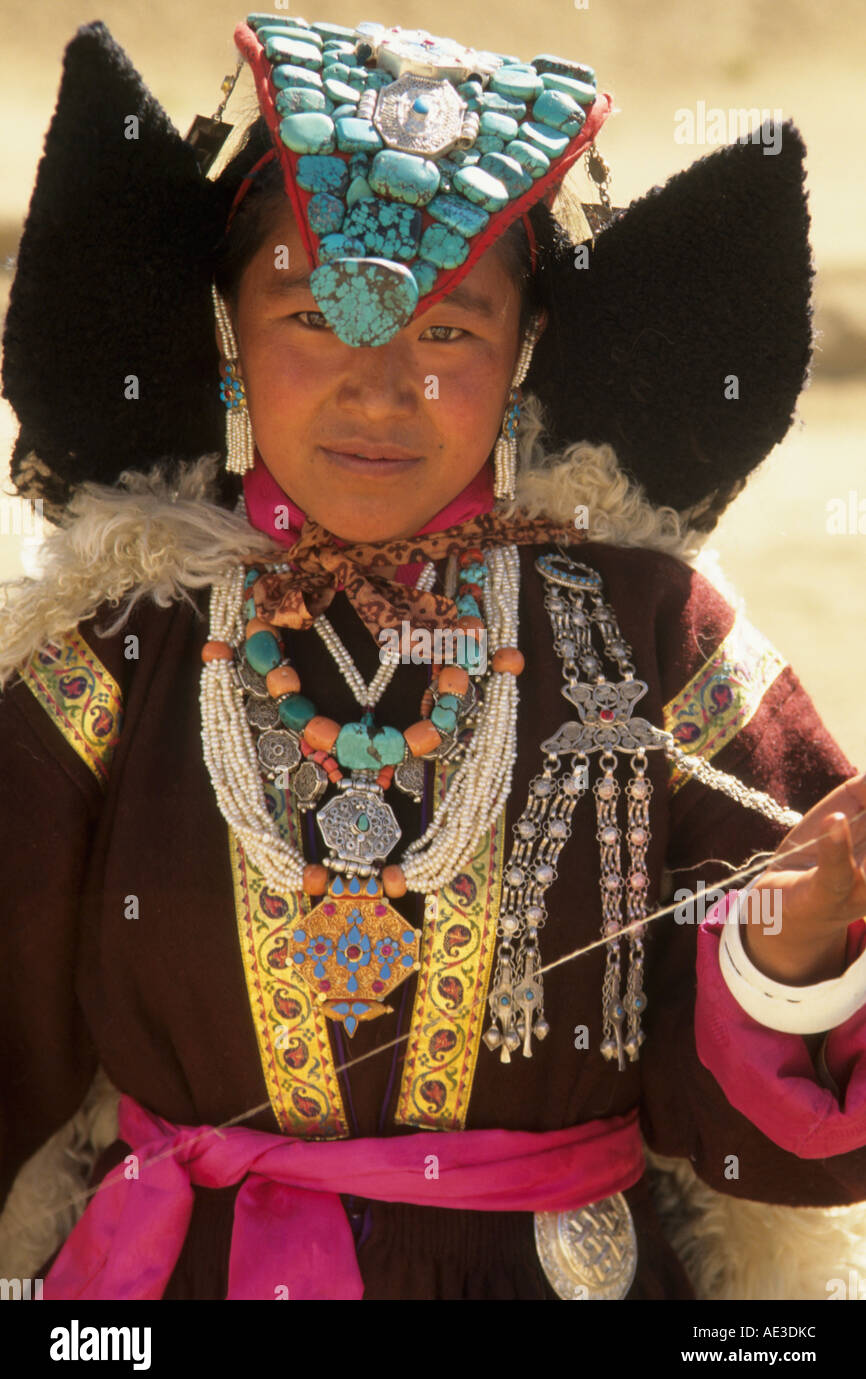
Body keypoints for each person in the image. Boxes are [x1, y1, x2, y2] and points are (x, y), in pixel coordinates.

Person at [1, 15, 865, 1302]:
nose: (375, 387)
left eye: (447, 332)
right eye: (310, 314)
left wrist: (787, 950)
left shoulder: (646, 640)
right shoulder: (124, 647)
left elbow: (751, 1136)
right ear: (227, 333)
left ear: (522, 358)